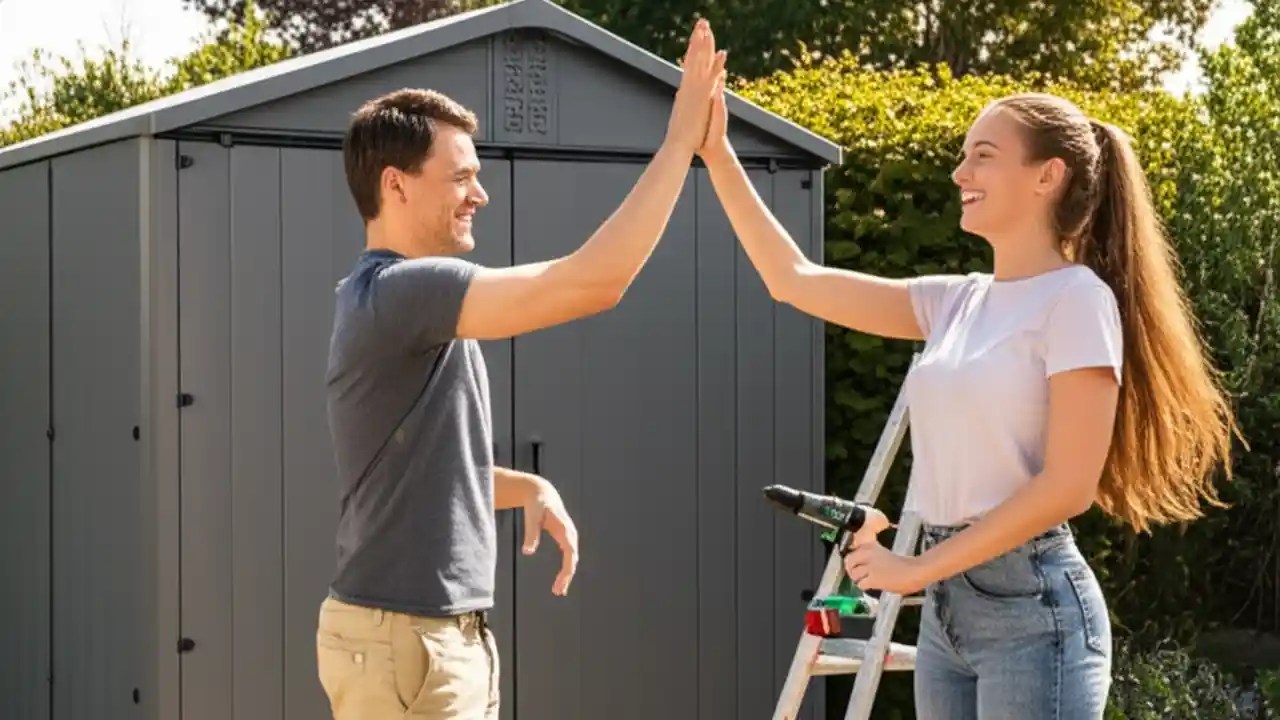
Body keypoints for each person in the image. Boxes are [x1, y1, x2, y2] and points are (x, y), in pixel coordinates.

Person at [697, 85, 1238, 716]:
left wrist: (912, 571)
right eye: (963, 156)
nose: (960, 173)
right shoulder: (956, 301)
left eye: (983, 155)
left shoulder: (1076, 299)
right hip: (947, 612)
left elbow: (1068, 486)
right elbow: (793, 280)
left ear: (1048, 176)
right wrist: (715, 150)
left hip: (1033, 614)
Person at [315, 19, 726, 720]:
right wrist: (680, 145)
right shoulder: (402, 292)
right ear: (397, 185)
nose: (480, 194)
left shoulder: (400, 305)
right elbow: (590, 283)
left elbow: (419, 475)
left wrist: (526, 484)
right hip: (408, 642)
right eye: (462, 178)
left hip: (430, 638)